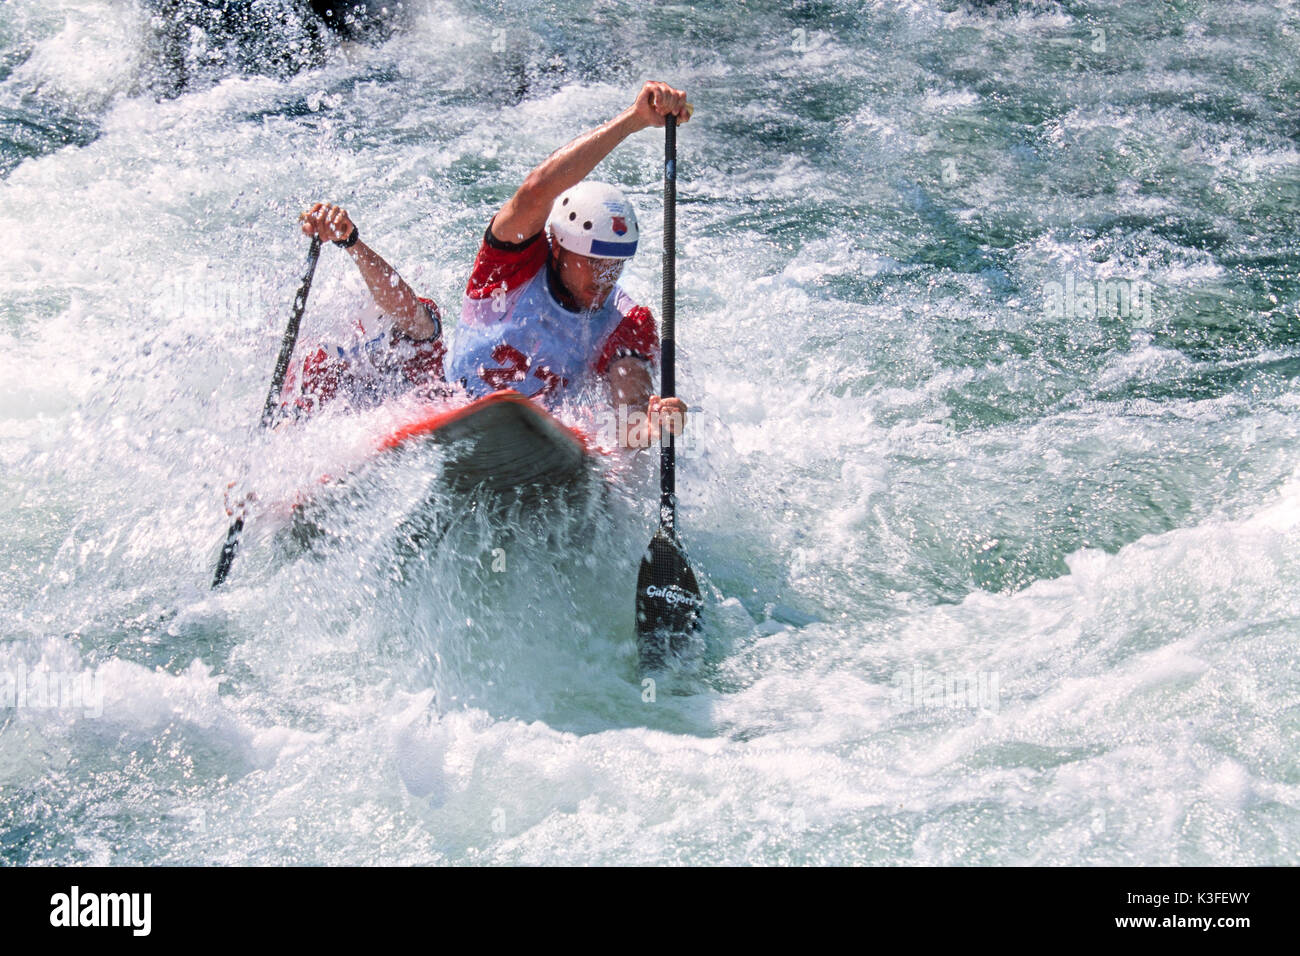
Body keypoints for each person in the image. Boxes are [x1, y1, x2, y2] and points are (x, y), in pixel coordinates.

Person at [448, 79, 692, 448]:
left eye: (615, 265)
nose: (605, 277)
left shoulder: (624, 323)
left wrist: (652, 427)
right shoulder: (511, 268)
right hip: (454, 408)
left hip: (540, 449)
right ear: (558, 248)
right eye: (592, 261)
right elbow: (536, 190)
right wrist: (633, 120)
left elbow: (629, 424)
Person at [285, 202, 447, 419]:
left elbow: (403, 306)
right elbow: (297, 422)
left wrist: (351, 242)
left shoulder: (412, 325)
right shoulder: (323, 359)